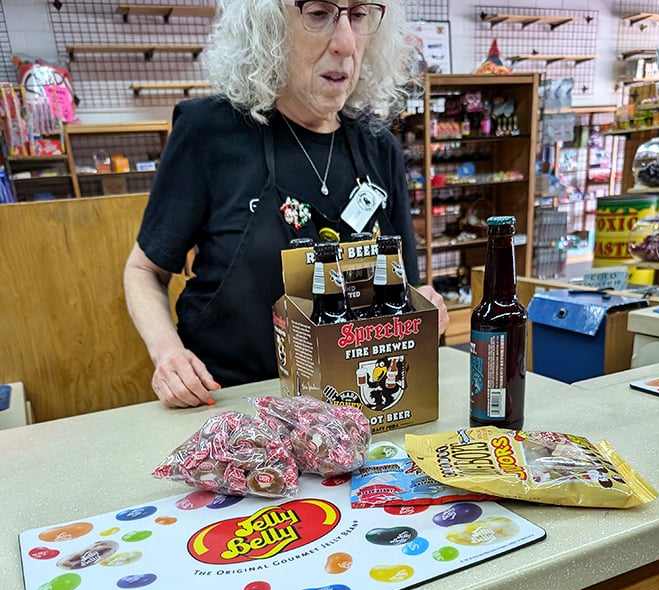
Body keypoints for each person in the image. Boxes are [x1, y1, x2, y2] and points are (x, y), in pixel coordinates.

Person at [124, 0, 448, 408]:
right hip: (233, 412)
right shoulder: (209, 133)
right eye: (318, 13)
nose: (346, 43)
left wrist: (425, 307)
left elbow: (405, 292)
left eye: (359, 15)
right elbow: (143, 270)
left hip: (354, 409)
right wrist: (168, 354)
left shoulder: (379, 147)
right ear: (268, 28)